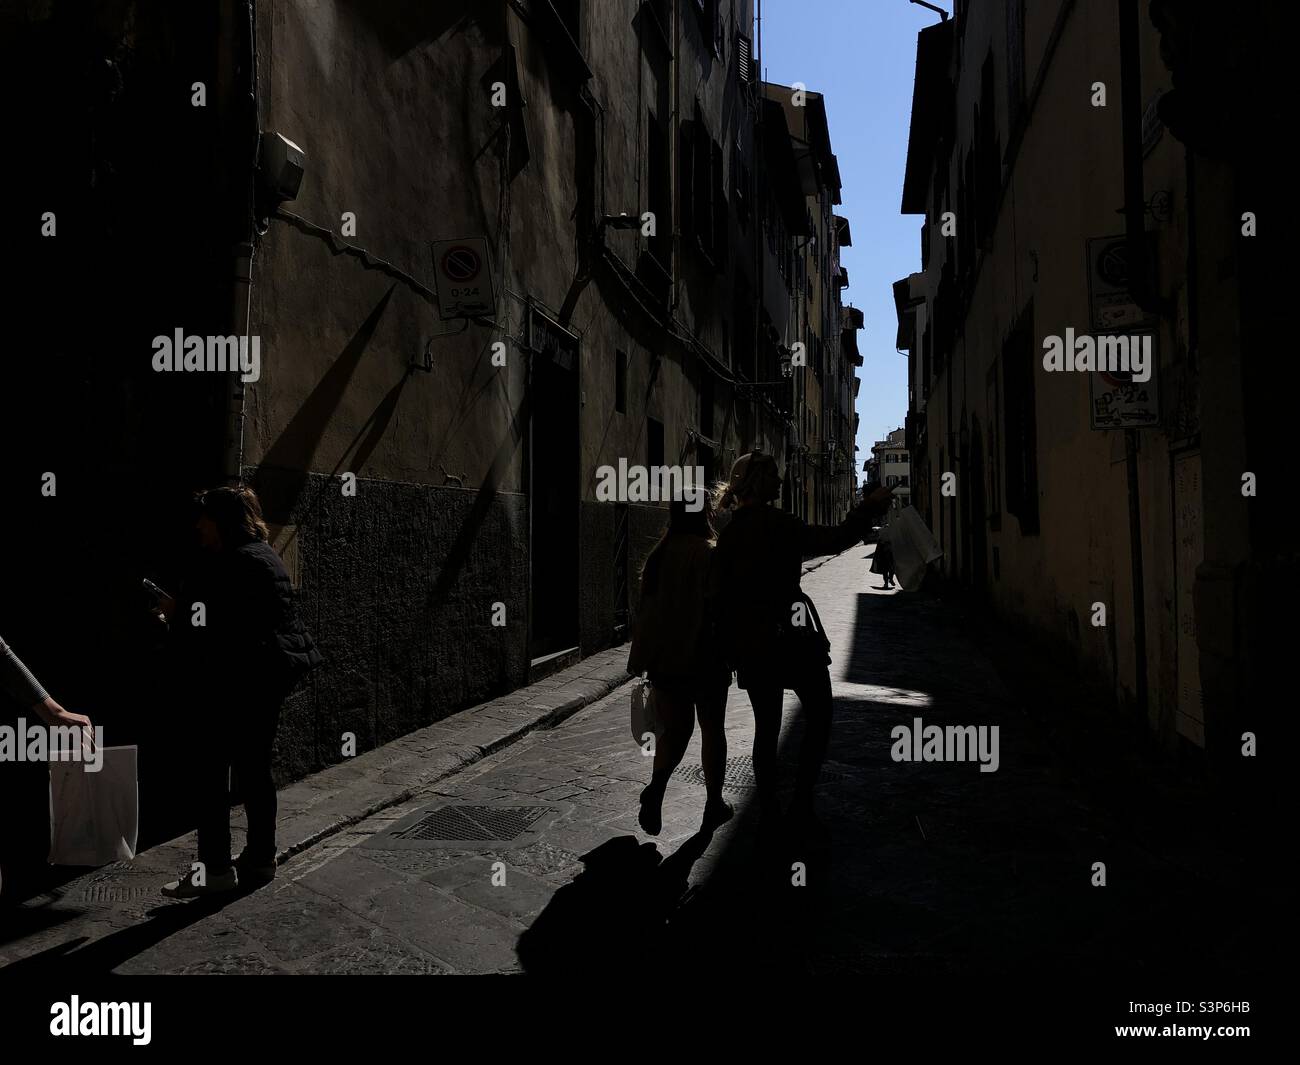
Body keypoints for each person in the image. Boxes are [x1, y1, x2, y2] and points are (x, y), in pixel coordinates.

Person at [711, 452, 892, 837]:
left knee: (766, 728)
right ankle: (802, 802)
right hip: (794, 635)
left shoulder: (729, 535)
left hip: (754, 643)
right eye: (775, 475)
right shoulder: (780, 524)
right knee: (821, 716)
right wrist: (867, 509)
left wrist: (729, 650)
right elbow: (836, 538)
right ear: (760, 482)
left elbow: (721, 599)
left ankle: (771, 810)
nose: (782, 481)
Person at [158, 485, 322, 898]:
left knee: (212, 776)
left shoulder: (232, 562)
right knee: (255, 772)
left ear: (222, 521)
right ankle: (261, 859)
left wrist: (173, 614)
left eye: (206, 517)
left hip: (233, 684)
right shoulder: (265, 556)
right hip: (263, 681)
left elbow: (215, 630)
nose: (199, 525)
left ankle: (214, 871)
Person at [626, 487, 733, 836]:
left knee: (674, 731)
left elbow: (647, 612)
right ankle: (714, 802)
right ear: (705, 515)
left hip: (666, 660)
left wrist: (642, 657)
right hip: (705, 658)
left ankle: (657, 788)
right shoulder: (710, 554)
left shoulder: (659, 555)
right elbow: (719, 607)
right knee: (712, 730)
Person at [870, 524, 896, 589]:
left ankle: (887, 582)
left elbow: (876, 531)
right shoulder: (893, 530)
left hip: (885, 552)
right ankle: (889, 580)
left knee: (886, 569)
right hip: (888, 552)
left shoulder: (882, 530)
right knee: (890, 568)